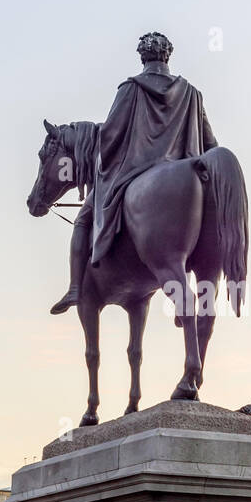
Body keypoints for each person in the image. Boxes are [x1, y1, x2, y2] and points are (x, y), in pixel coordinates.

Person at [49, 31, 218, 314]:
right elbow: (211, 145)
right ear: (167, 55)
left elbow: (110, 136)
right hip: (188, 179)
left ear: (142, 57)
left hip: (134, 171)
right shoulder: (192, 94)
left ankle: (75, 288)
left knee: (83, 220)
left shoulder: (131, 88)